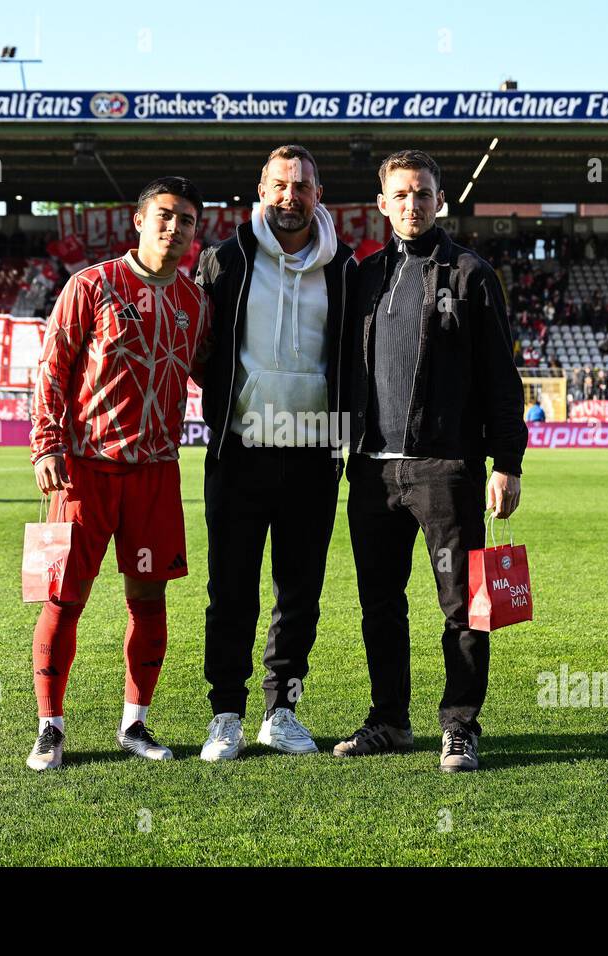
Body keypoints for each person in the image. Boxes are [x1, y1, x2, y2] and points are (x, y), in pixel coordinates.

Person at [338, 149, 527, 773]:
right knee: (380, 603)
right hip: (371, 469)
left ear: (439, 200)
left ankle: (461, 726)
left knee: (467, 603)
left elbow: (502, 375)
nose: (412, 205)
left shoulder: (471, 274)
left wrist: (508, 461)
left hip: (447, 468)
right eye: (400, 195)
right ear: (382, 203)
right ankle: (389, 720)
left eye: (422, 194)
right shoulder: (364, 274)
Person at [26, 176, 212, 771]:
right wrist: (46, 444)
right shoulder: (92, 284)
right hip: (82, 469)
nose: (174, 227)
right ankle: (50, 726)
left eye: (185, 219)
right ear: (138, 221)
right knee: (62, 597)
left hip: (155, 474)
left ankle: (135, 723)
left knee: (148, 600)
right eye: (164, 215)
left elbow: (211, 375)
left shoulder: (195, 302)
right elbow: (52, 366)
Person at [194, 145, 357, 762]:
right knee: (230, 589)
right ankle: (226, 715)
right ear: (260, 190)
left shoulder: (345, 271)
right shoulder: (225, 261)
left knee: (300, 592)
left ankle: (281, 711)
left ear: (320, 195)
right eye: (280, 185)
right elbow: (198, 346)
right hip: (239, 452)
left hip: (314, 453)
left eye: (303, 186)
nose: (291, 197)